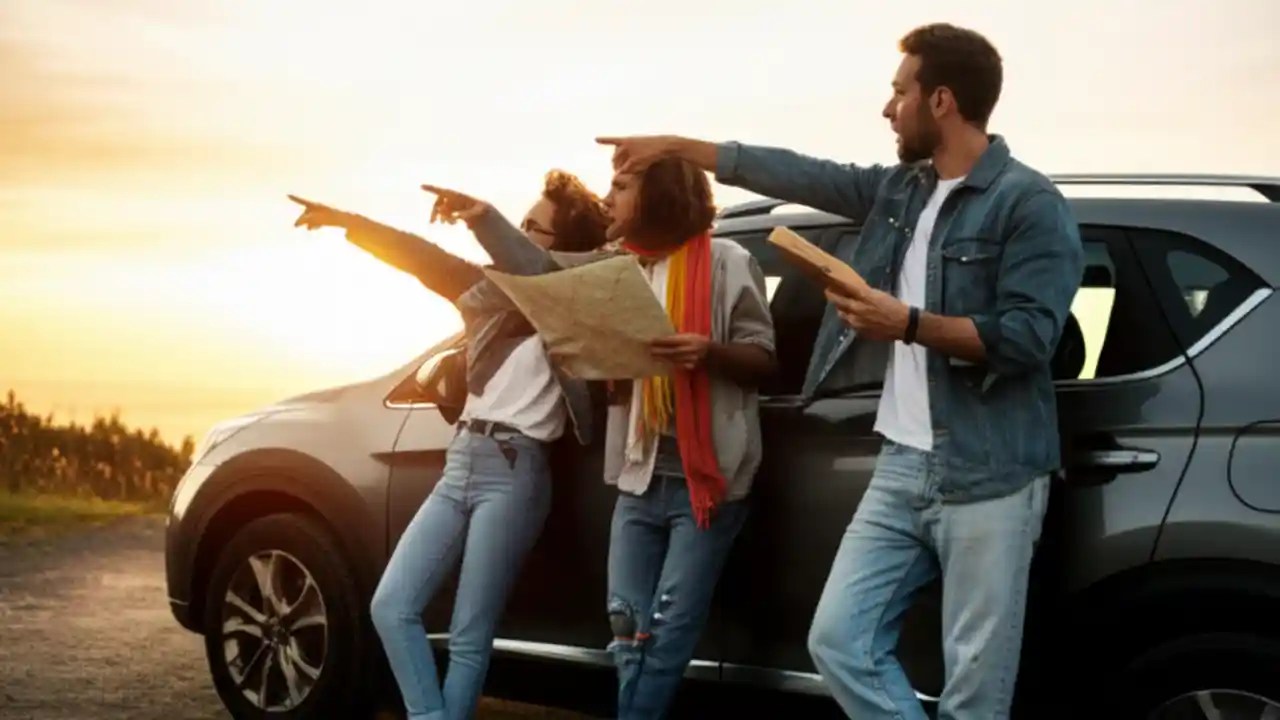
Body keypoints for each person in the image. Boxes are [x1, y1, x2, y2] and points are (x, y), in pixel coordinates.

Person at [596, 22, 1084, 720]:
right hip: (902, 465)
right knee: (838, 643)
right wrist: (679, 147)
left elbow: (1030, 337)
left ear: (941, 100)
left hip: (992, 473)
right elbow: (797, 172)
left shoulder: (1028, 204)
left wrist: (905, 323)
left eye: (899, 92)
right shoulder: (900, 193)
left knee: (976, 692)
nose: (888, 108)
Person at [425, 156, 777, 720]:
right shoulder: (616, 271)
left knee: (663, 643)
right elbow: (536, 270)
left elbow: (763, 359)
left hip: (706, 483)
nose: (607, 201)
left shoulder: (732, 263)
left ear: (660, 194)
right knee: (625, 634)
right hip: (637, 480)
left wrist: (705, 352)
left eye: (620, 186)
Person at [289, 169, 610, 720]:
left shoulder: (576, 297)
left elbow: (537, 269)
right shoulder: (487, 294)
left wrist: (483, 215)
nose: (523, 232)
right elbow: (422, 258)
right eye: (522, 223)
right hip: (462, 459)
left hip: (516, 470)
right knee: (392, 606)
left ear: (566, 244)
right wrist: (351, 224)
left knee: (469, 632)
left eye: (535, 226)